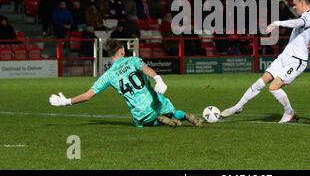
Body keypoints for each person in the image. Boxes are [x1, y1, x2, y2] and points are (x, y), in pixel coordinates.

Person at [221, 0, 310, 123]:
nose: (294, 7)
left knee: (274, 87)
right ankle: (238, 106)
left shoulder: (309, 17)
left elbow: (296, 23)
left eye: (295, 4)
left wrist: (276, 23)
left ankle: (289, 113)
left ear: (303, 4)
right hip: (285, 56)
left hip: (296, 61)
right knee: (262, 80)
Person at [48, 39, 203, 128]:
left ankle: (157, 120)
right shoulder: (133, 60)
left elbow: (88, 95)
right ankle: (181, 116)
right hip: (156, 101)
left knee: (142, 121)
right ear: (122, 50)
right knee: (171, 110)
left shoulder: (108, 75)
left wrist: (66, 101)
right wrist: (158, 78)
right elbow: (146, 69)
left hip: (141, 111)